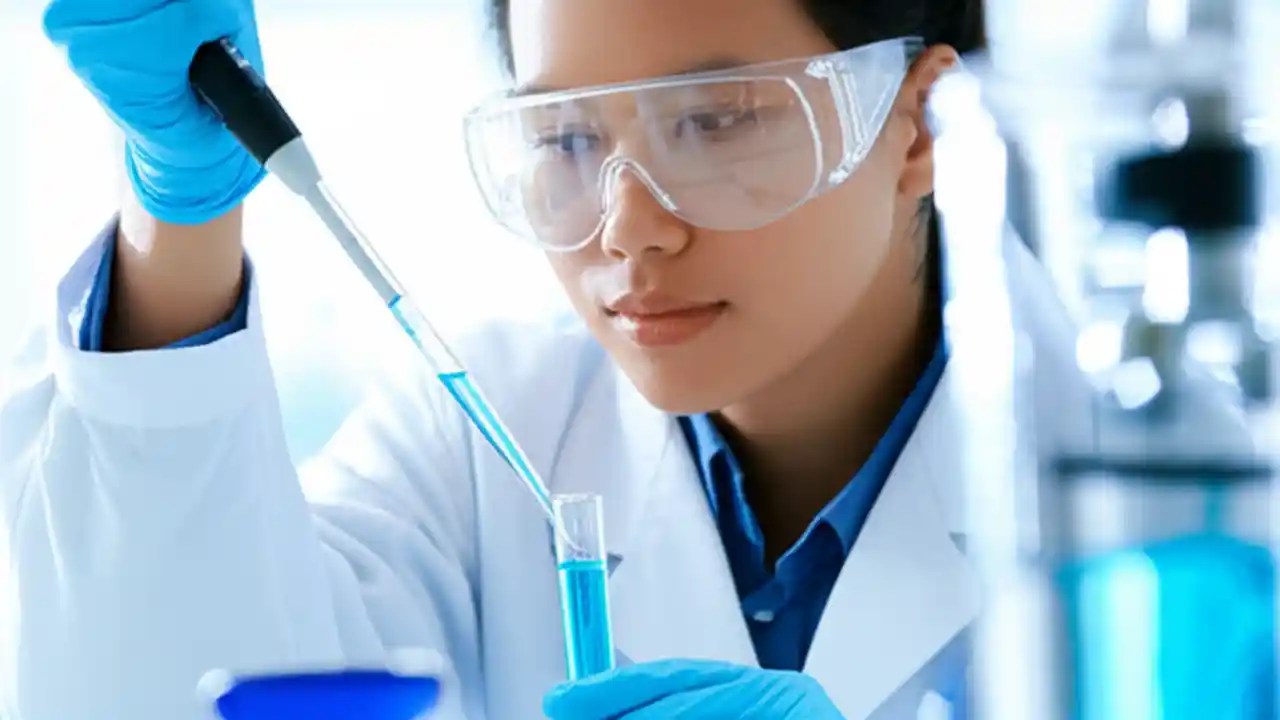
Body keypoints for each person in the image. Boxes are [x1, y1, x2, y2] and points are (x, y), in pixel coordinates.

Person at [0, 0, 1092, 717]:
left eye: (715, 122)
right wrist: (183, 212)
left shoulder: (1155, 486)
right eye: (567, 139)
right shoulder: (479, 443)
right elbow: (160, 684)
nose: (628, 230)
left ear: (919, 124)